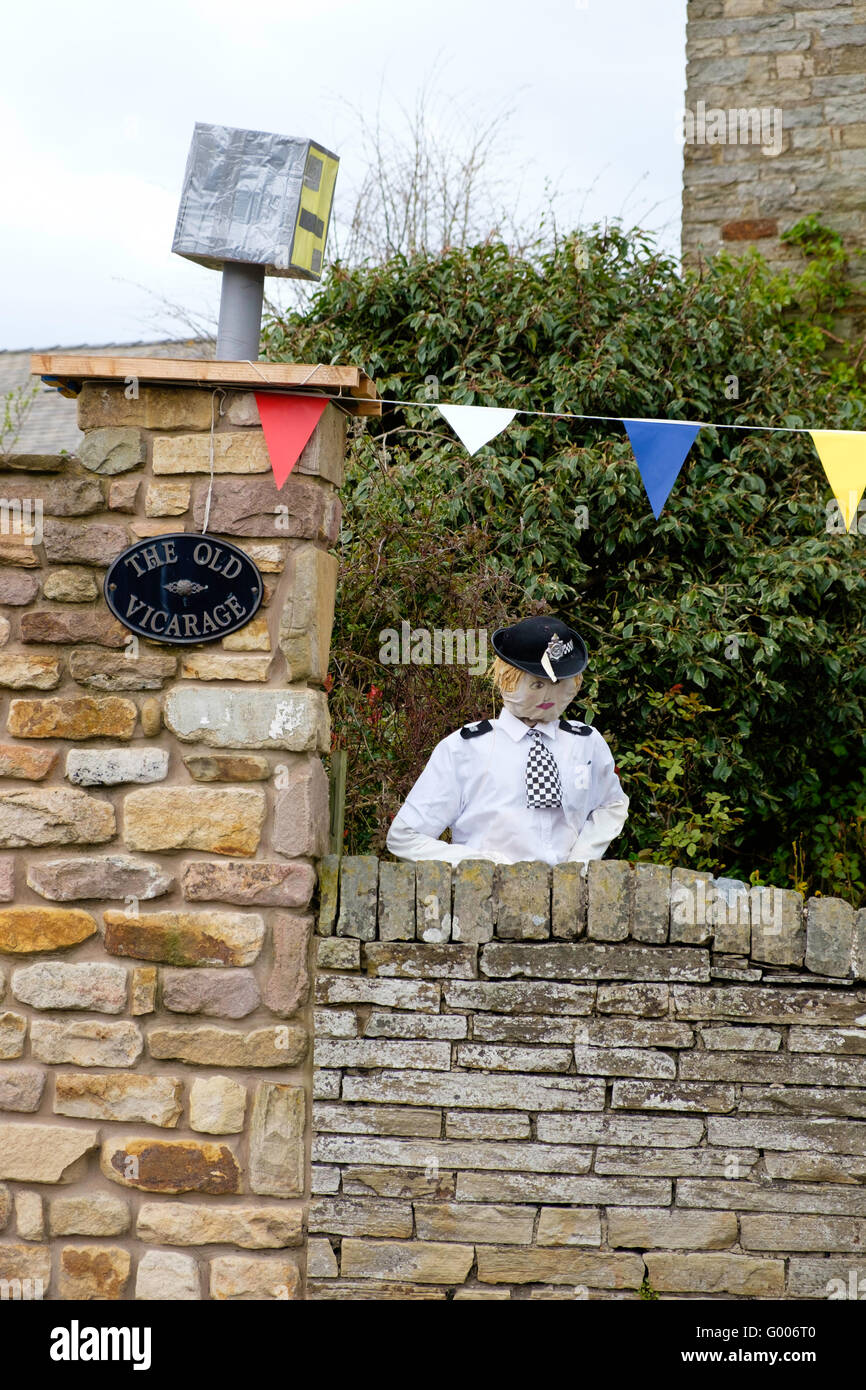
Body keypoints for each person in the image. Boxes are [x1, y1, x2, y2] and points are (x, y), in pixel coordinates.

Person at [385, 615, 629, 867]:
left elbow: (612, 804)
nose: (548, 694)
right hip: (484, 897)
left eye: (558, 684)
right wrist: (480, 864)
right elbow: (405, 836)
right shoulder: (465, 749)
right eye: (536, 684)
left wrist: (581, 859)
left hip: (567, 897)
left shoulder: (586, 744)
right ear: (506, 678)